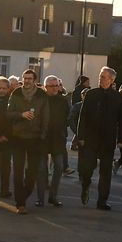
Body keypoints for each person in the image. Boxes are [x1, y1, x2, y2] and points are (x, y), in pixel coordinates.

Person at [74, 66, 122, 211]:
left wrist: (121, 140)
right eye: (100, 76)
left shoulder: (117, 97)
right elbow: (82, 117)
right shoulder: (91, 94)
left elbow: (121, 120)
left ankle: (102, 200)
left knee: (105, 172)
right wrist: (80, 136)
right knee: (87, 168)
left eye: (103, 77)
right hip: (90, 139)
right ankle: (85, 185)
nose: (100, 79)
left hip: (108, 141)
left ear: (111, 80)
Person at [3, 75, 42, 214]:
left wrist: (43, 135)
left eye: (30, 78)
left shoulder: (41, 94)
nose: (27, 80)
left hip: (35, 137)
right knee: (18, 170)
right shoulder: (16, 93)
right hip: (18, 137)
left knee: (32, 172)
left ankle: (24, 194)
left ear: (35, 81)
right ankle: (20, 203)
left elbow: (46, 116)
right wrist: (21, 115)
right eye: (25, 78)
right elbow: (8, 114)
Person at [34, 76, 69, 207]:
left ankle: (53, 196)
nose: (55, 88)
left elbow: (67, 117)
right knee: (42, 169)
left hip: (58, 138)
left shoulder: (63, 101)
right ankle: (40, 198)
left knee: (59, 167)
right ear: (45, 87)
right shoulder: (40, 100)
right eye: (52, 86)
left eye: (57, 85)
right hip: (42, 138)